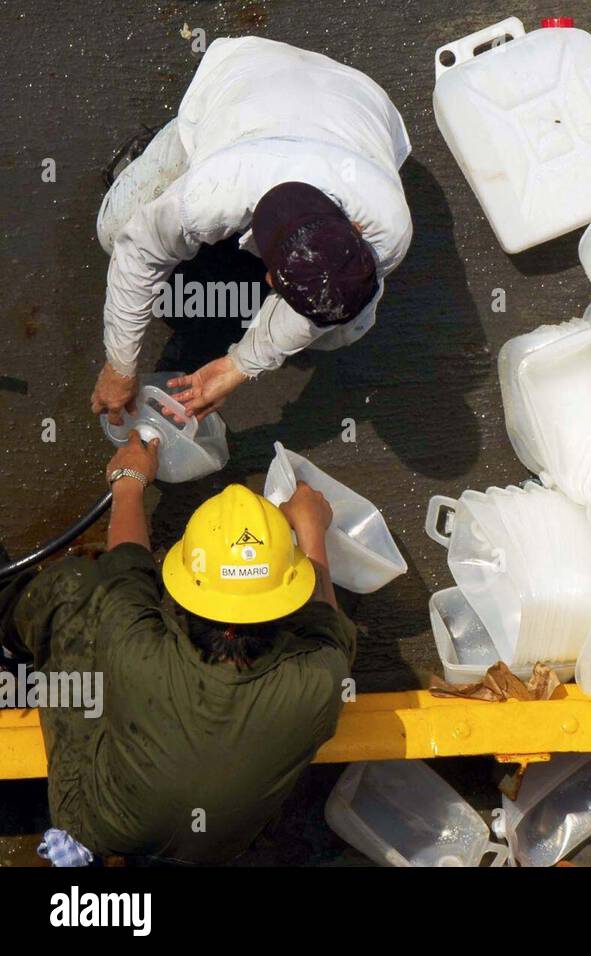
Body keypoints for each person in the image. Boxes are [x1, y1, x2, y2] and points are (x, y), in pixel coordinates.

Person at [0, 432, 356, 864]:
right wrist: (312, 532)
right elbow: (326, 625)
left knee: (74, 590)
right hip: (215, 850)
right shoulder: (319, 681)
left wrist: (129, 478)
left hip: (98, 822)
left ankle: (6, 617)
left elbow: (127, 565)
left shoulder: (135, 646)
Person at [91, 35, 413, 425]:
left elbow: (334, 300)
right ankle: (159, 146)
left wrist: (238, 366)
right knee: (114, 229)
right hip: (243, 78)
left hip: (360, 101)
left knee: (346, 328)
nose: (269, 284)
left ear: (357, 230)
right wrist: (120, 366)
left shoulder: (390, 228)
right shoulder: (212, 192)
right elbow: (138, 252)